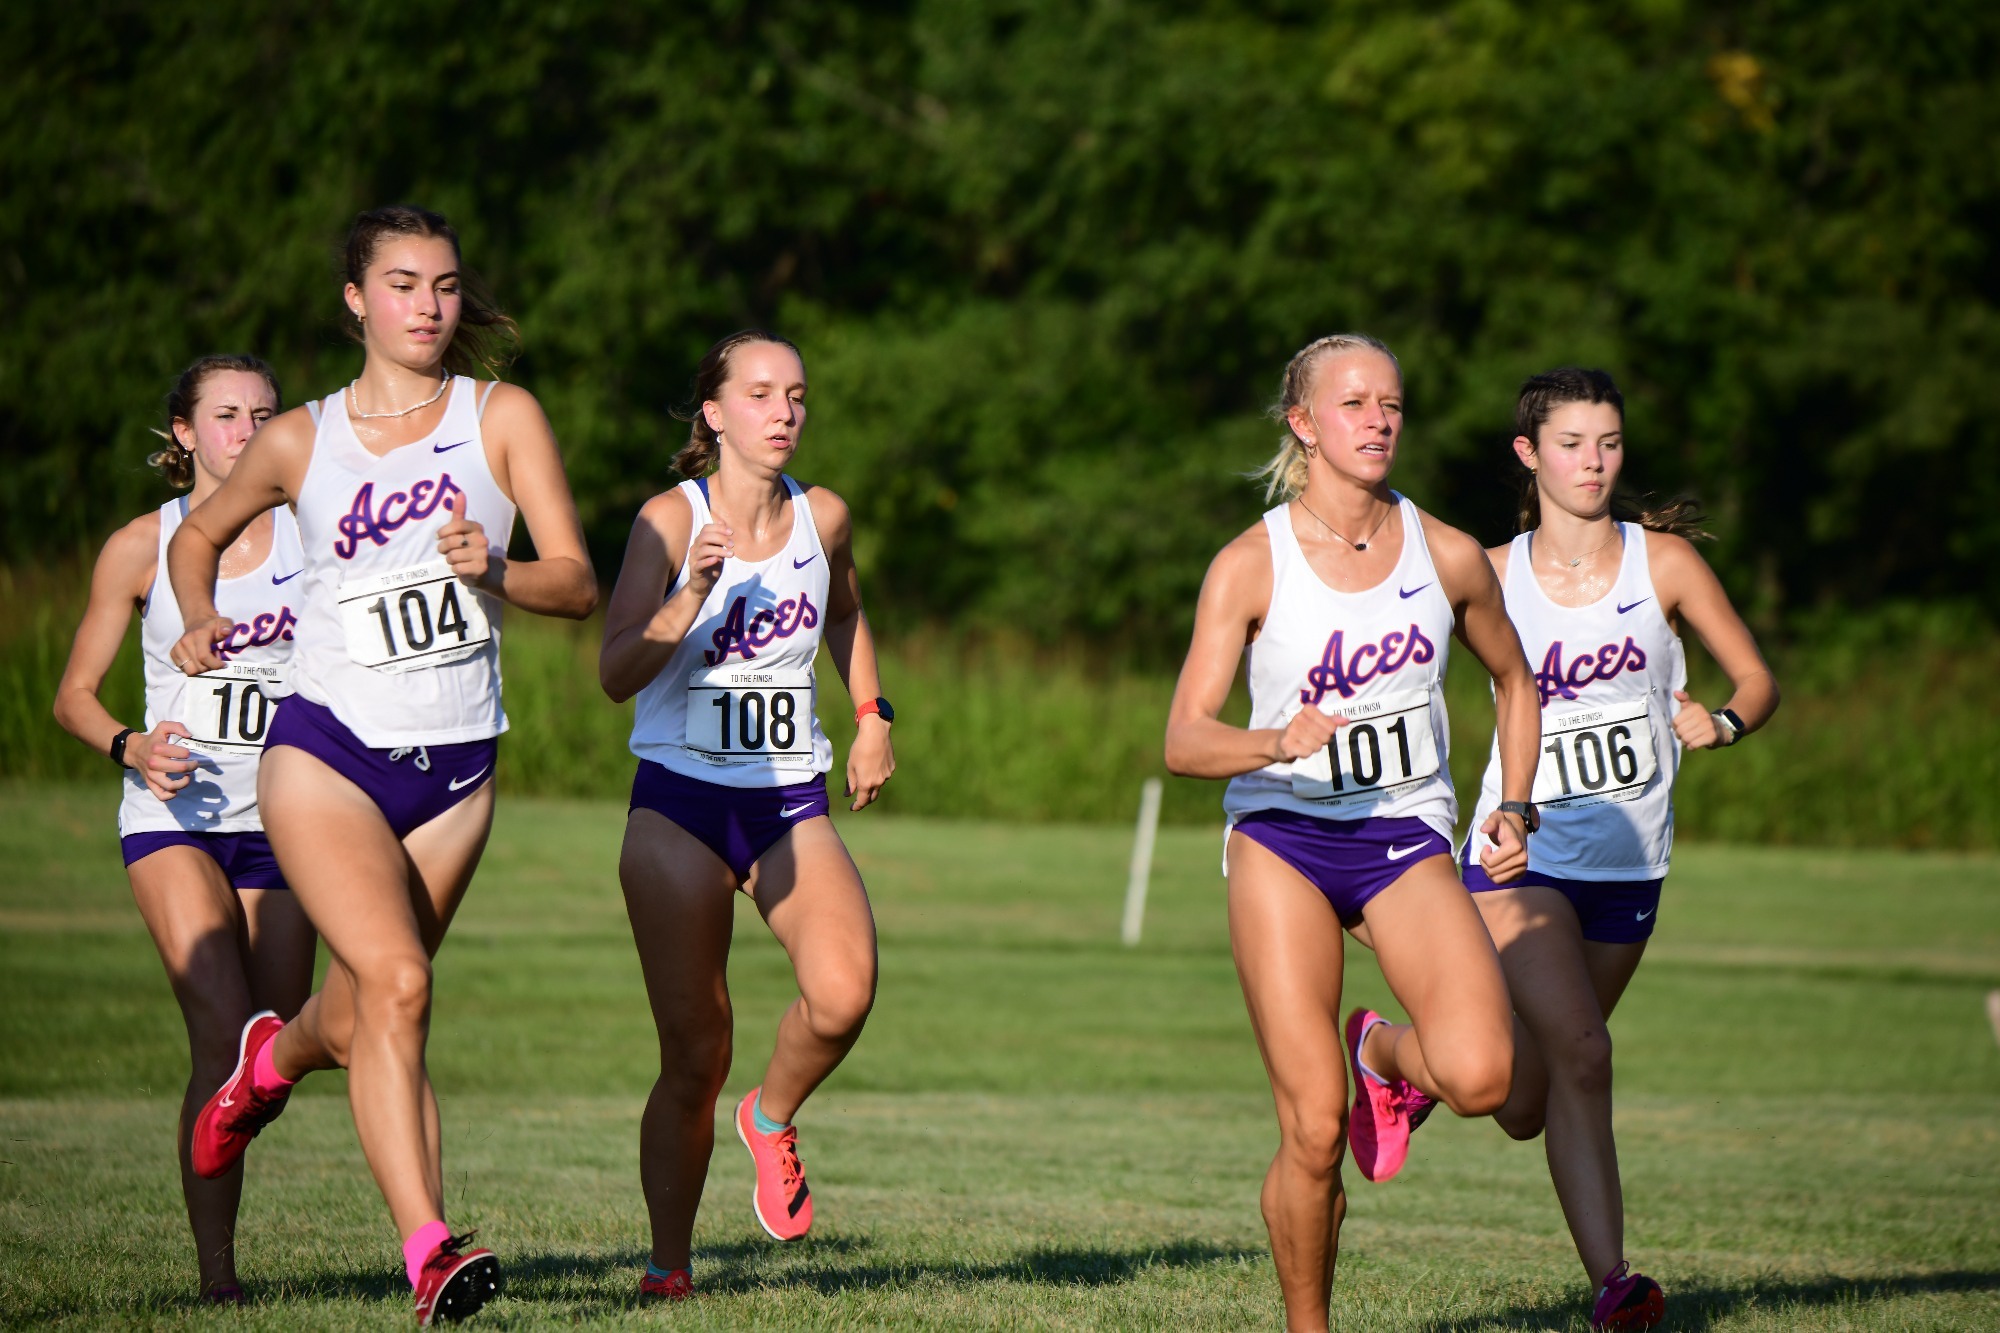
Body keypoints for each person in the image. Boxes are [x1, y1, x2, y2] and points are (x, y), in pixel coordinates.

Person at [167, 206, 597, 1326]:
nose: (428, 306)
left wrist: (496, 571)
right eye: (403, 284)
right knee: (404, 985)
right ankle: (430, 1248)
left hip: (454, 772)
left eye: (446, 286)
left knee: (363, 1012)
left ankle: (267, 1064)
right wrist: (201, 614)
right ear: (356, 299)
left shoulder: (500, 417)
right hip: (327, 752)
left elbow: (577, 582)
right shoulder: (299, 438)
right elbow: (193, 538)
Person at [1370, 367, 1777, 1330]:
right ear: (1530, 454)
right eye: (1571, 444)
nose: (1592, 463)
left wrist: (1721, 721)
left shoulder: (1663, 563)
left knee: (1522, 1099)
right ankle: (1615, 1284)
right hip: (1520, 858)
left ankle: (1387, 1054)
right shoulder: (1489, 573)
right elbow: (1399, 688)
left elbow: (1756, 674)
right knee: (1587, 1054)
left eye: (1608, 443)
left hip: (1632, 867)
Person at [1165, 333, 1540, 1332]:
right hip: (1282, 840)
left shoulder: (1446, 553)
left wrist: (1511, 803)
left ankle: (1383, 1058)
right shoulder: (1250, 564)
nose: (1377, 420)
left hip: (1400, 835)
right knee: (1313, 1128)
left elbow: (1513, 679)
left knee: (1481, 1073)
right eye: (1353, 404)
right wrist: (1269, 740)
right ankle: (1307, 1324)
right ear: (1302, 424)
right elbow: (1182, 739)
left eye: (1391, 405)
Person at [599, 330, 893, 1302]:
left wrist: (869, 715)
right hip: (679, 802)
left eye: (796, 394)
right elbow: (614, 674)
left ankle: (769, 1119)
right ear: (713, 412)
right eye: (760, 393)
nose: (783, 411)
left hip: (785, 798)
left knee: (843, 992)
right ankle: (667, 1263)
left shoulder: (823, 515)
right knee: (694, 1051)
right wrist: (685, 594)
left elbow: (842, 611)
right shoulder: (664, 519)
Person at [52, 355, 315, 1305]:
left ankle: (228, 1158)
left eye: (265, 413)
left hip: (291, 824)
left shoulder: (316, 538)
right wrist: (129, 744)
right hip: (176, 818)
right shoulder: (139, 545)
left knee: (273, 1051)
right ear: (184, 433)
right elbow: (72, 697)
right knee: (223, 1034)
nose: (248, 430)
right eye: (227, 415)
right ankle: (218, 1281)